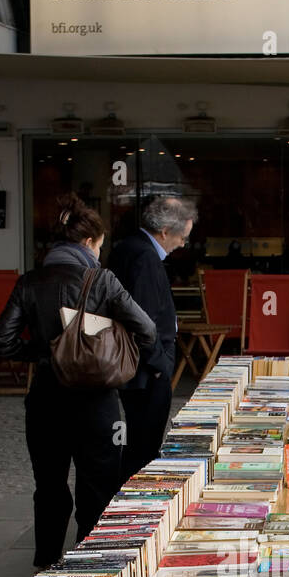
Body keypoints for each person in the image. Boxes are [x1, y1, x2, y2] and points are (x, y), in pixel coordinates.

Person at [0, 194, 157, 569]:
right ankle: (89, 565)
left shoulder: (30, 281)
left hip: (46, 399)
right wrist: (113, 348)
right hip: (96, 402)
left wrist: (46, 355)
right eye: (99, 245)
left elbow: (1, 341)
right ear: (88, 242)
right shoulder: (103, 281)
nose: (100, 252)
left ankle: (47, 561)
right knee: (97, 486)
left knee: (48, 486)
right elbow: (146, 329)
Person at [108, 195, 197, 480]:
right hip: (146, 370)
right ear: (165, 231)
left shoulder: (130, 247)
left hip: (139, 365)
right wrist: (159, 364)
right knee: (144, 446)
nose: (184, 244)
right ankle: (130, 509)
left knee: (139, 443)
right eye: (183, 236)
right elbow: (142, 318)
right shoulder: (144, 256)